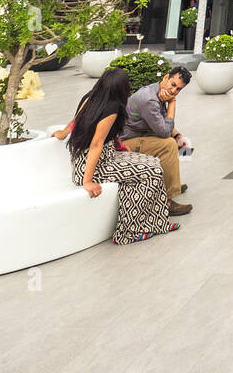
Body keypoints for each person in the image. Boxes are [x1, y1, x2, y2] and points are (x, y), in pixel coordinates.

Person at [51, 68, 177, 244]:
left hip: (101, 157)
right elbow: (96, 144)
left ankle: (157, 223)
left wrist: (64, 133)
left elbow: (75, 121)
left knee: (153, 163)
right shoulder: (112, 108)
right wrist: (87, 181)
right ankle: (128, 232)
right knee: (150, 172)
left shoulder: (91, 96)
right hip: (94, 166)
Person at [120, 65, 193, 216]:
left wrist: (178, 135)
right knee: (168, 145)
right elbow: (165, 132)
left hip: (140, 134)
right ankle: (165, 202)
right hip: (125, 143)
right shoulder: (150, 99)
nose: (174, 91)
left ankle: (173, 183)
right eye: (173, 85)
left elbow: (162, 121)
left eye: (178, 89)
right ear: (166, 77)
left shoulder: (158, 91)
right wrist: (173, 104)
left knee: (181, 143)